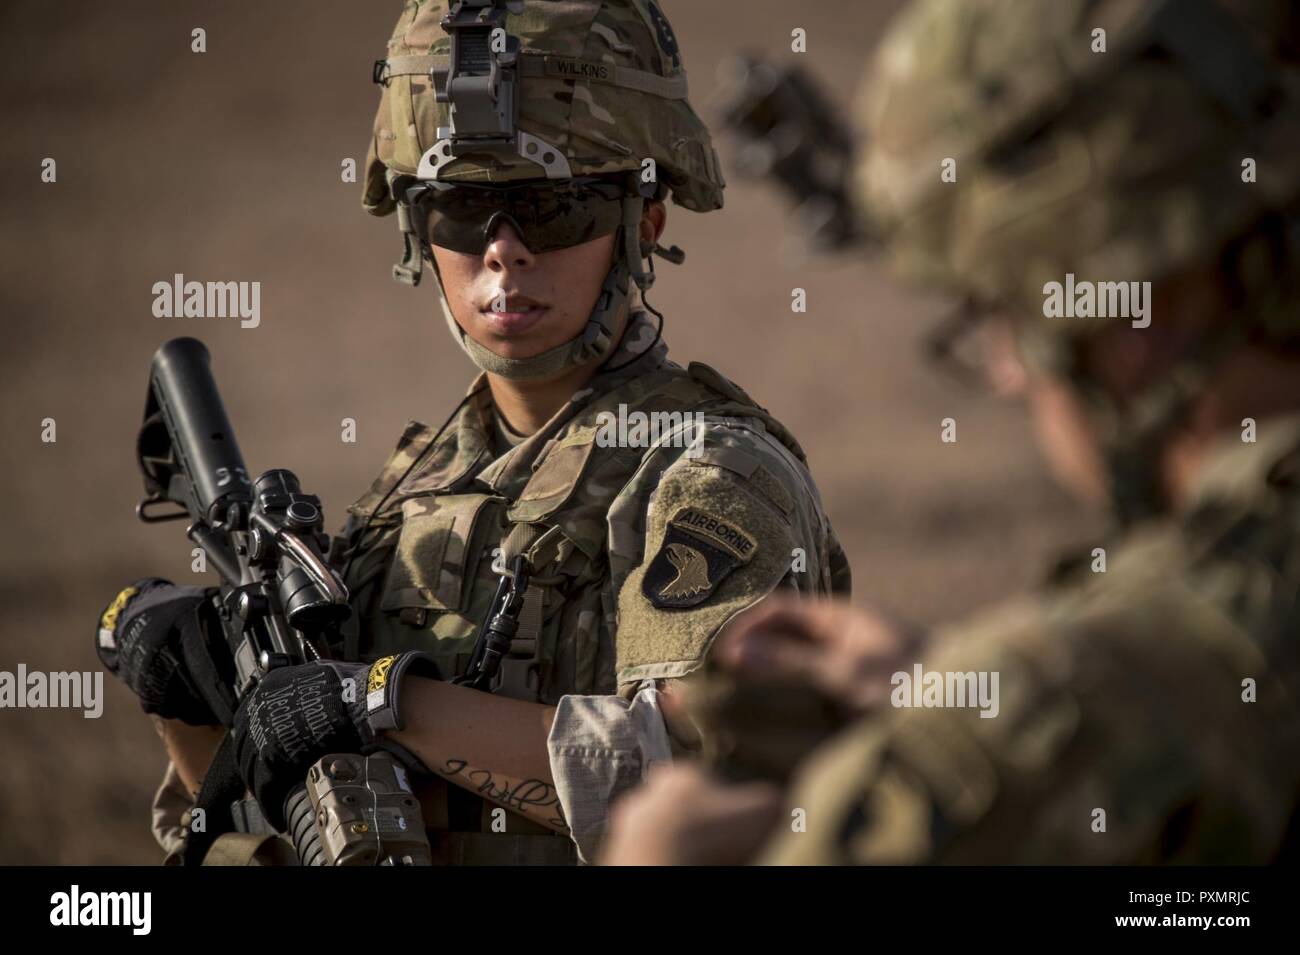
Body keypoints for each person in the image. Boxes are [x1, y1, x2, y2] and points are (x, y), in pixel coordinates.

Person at [94, 0, 850, 866]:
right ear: (418, 227)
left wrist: (380, 701)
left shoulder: (711, 471)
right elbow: (253, 832)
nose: (505, 252)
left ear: (645, 221)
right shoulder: (421, 481)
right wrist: (195, 698)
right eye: (460, 209)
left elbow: (709, 783)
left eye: (554, 206)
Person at [600, 0, 1300, 865]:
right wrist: (956, 686)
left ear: (1129, 318)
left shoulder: (994, 749)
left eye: (996, 317)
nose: (1007, 373)